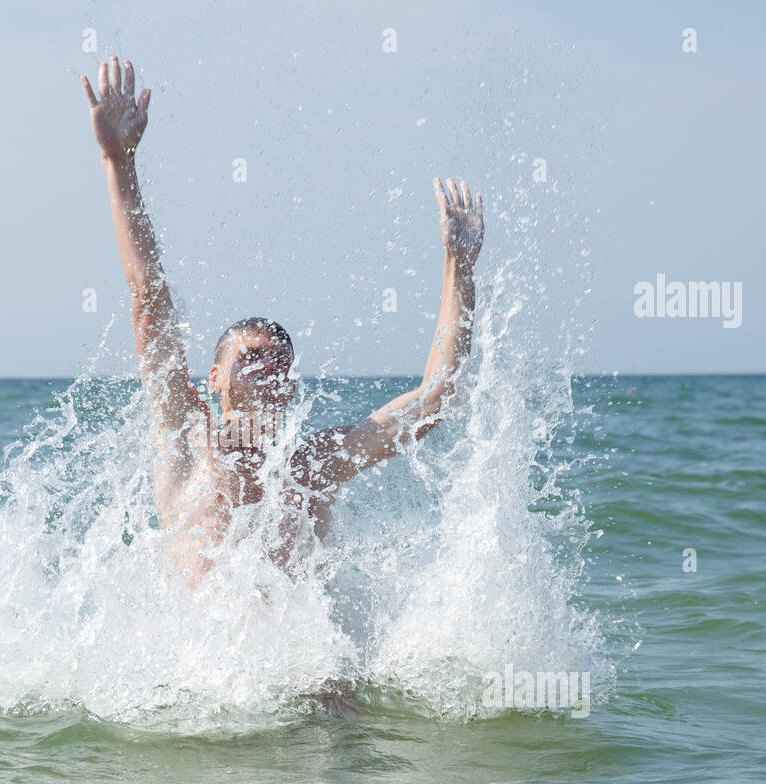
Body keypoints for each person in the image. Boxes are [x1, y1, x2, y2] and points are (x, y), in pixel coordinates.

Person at [81, 56, 484, 587]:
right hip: (206, 668)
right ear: (215, 379)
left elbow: (435, 399)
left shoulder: (316, 460)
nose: (271, 368)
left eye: (282, 363)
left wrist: (459, 266)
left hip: (299, 670)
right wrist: (118, 163)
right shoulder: (184, 437)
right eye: (251, 358)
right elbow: (148, 301)